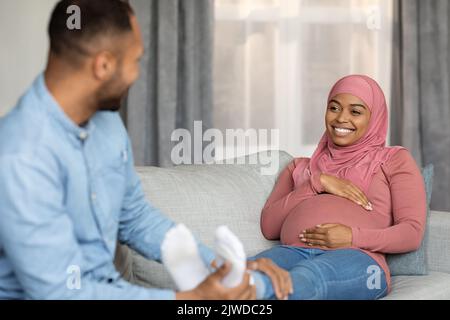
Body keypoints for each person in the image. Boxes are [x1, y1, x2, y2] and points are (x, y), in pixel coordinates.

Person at [0, 0, 291, 300]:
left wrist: (222, 268)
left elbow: (135, 215)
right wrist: (190, 300)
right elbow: (61, 293)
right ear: (103, 65)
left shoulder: (108, 125)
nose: (138, 74)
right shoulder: (20, 156)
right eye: (136, 60)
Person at [251, 75, 427, 300]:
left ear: (375, 118)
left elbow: (411, 233)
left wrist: (352, 237)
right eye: (334, 108)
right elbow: (269, 227)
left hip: (361, 260)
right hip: (293, 251)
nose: (341, 118)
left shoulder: (394, 160)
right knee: (245, 273)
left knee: (306, 278)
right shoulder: (300, 167)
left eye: (355, 111)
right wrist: (318, 182)